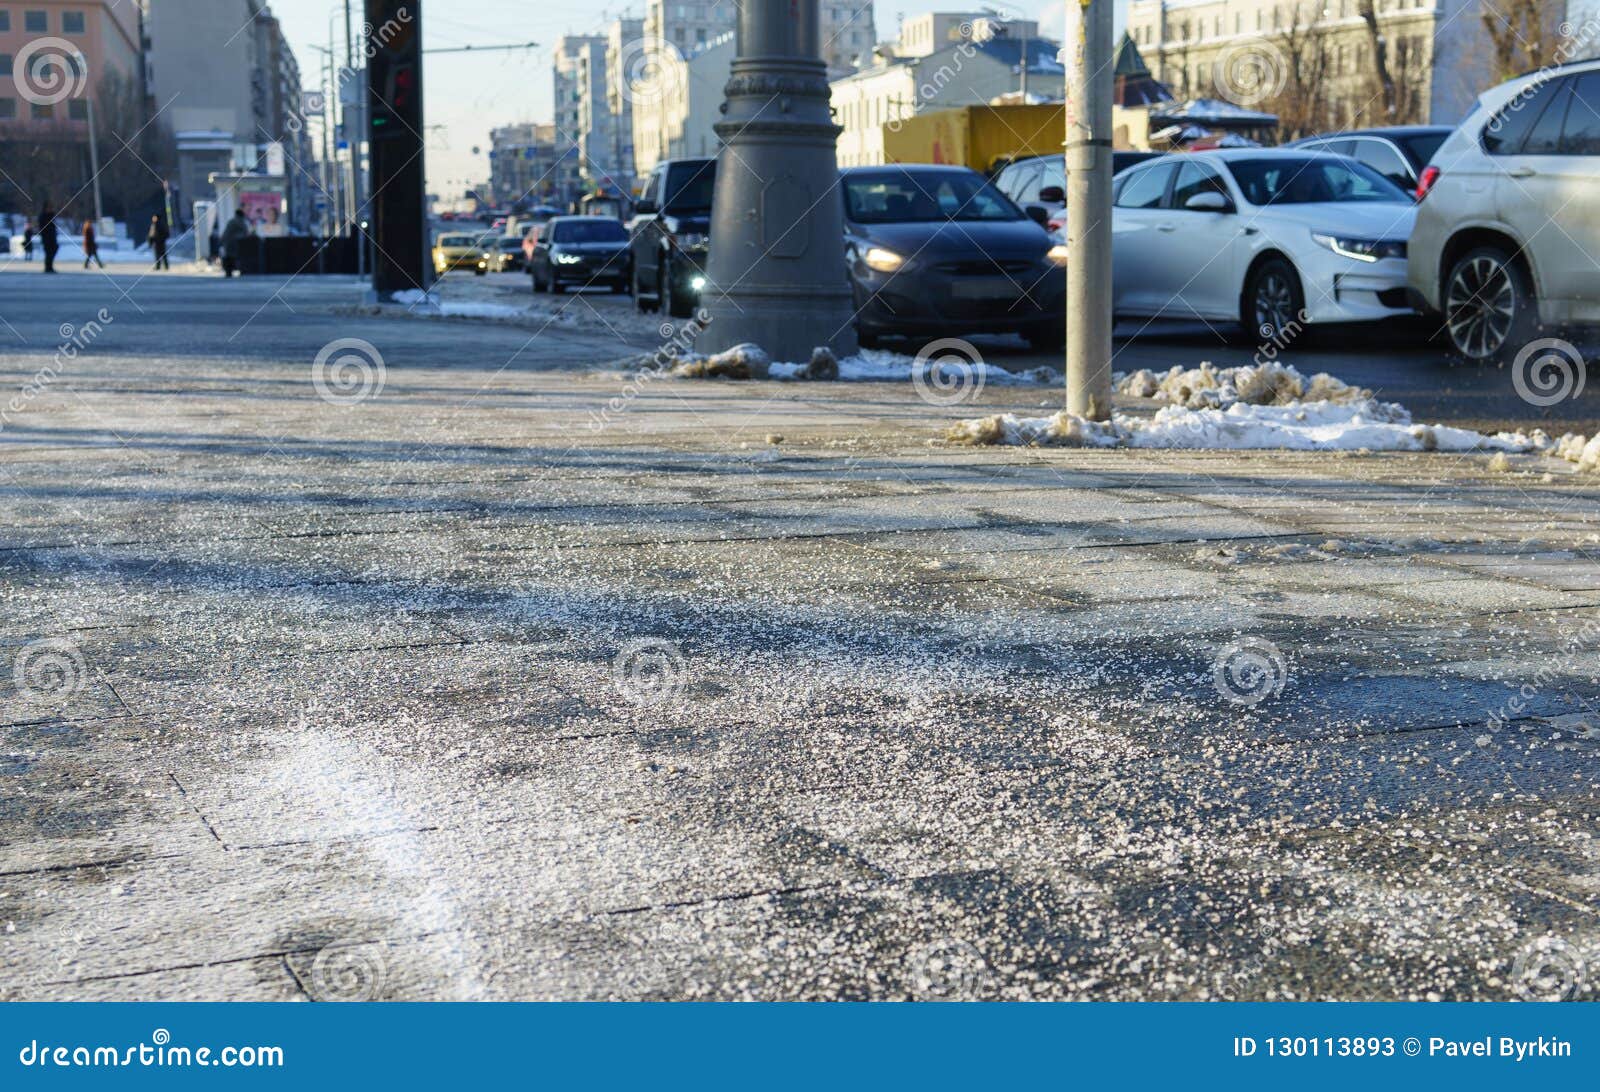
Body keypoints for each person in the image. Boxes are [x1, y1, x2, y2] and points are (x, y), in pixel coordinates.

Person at [219, 208, 251, 277]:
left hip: (228, 243)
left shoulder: (231, 221)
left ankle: (228, 273)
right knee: (236, 258)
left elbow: (226, 232)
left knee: (228, 258)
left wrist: (221, 241)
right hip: (237, 244)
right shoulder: (242, 222)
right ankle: (240, 271)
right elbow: (245, 233)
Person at [38, 204, 59, 274]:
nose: (50, 209)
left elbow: (53, 227)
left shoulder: (52, 216)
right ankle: (48, 267)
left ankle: (50, 266)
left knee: (53, 251)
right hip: (46, 238)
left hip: (52, 237)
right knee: (48, 253)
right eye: (49, 208)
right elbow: (41, 228)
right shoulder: (43, 216)